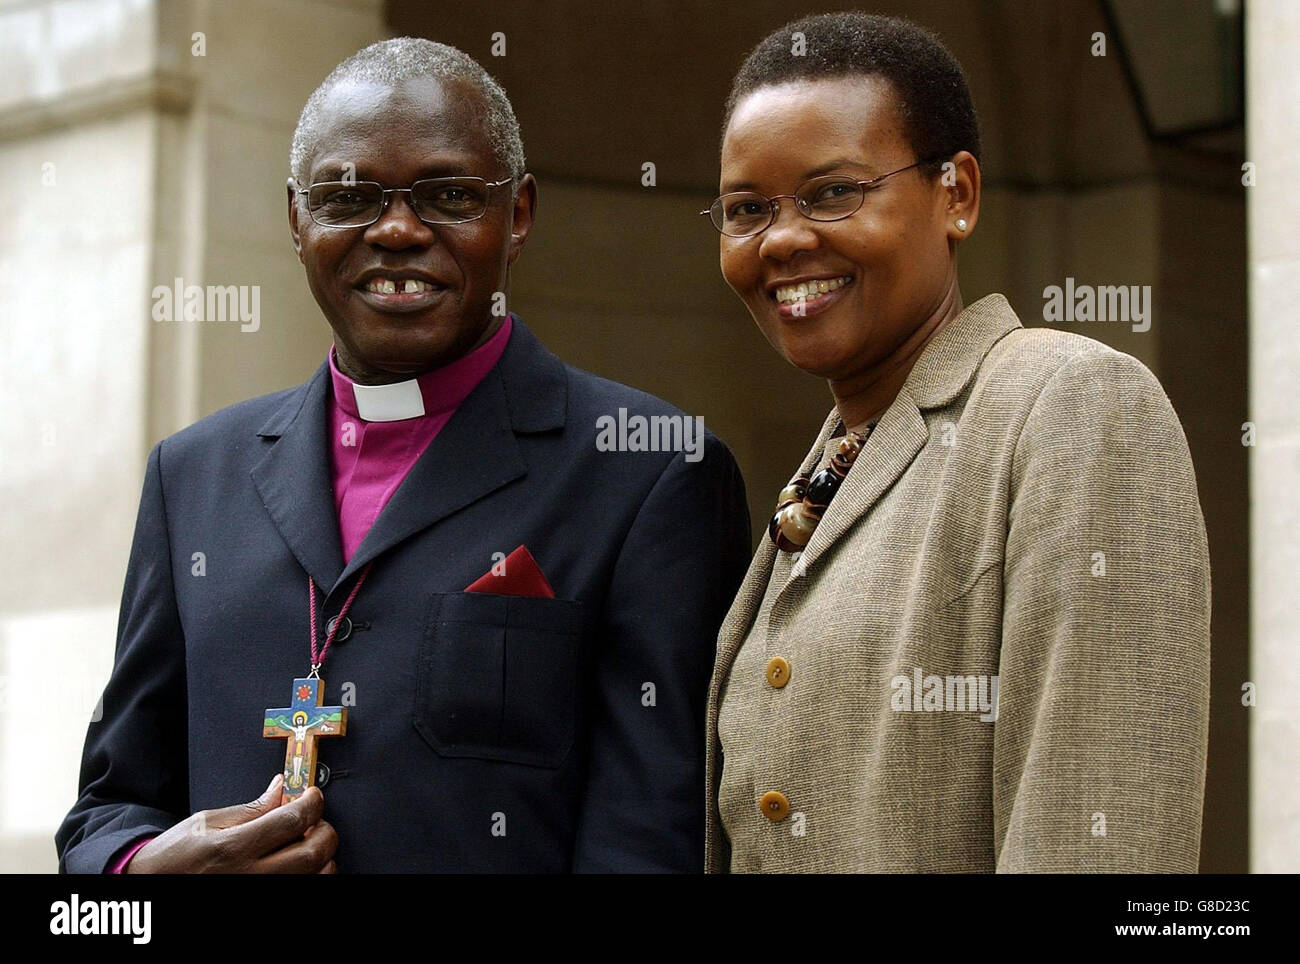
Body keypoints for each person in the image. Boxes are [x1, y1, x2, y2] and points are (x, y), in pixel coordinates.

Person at [56, 37, 751, 874]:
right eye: (347, 196)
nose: (395, 229)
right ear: (295, 219)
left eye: (448, 194)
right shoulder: (191, 476)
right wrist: (145, 871)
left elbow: (650, 845)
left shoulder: (651, 472)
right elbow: (103, 812)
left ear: (519, 215)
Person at [702, 13, 1210, 873]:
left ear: (957, 196)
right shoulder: (835, 463)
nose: (783, 239)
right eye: (748, 210)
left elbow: (1102, 845)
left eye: (833, 193)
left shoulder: (1069, 404)